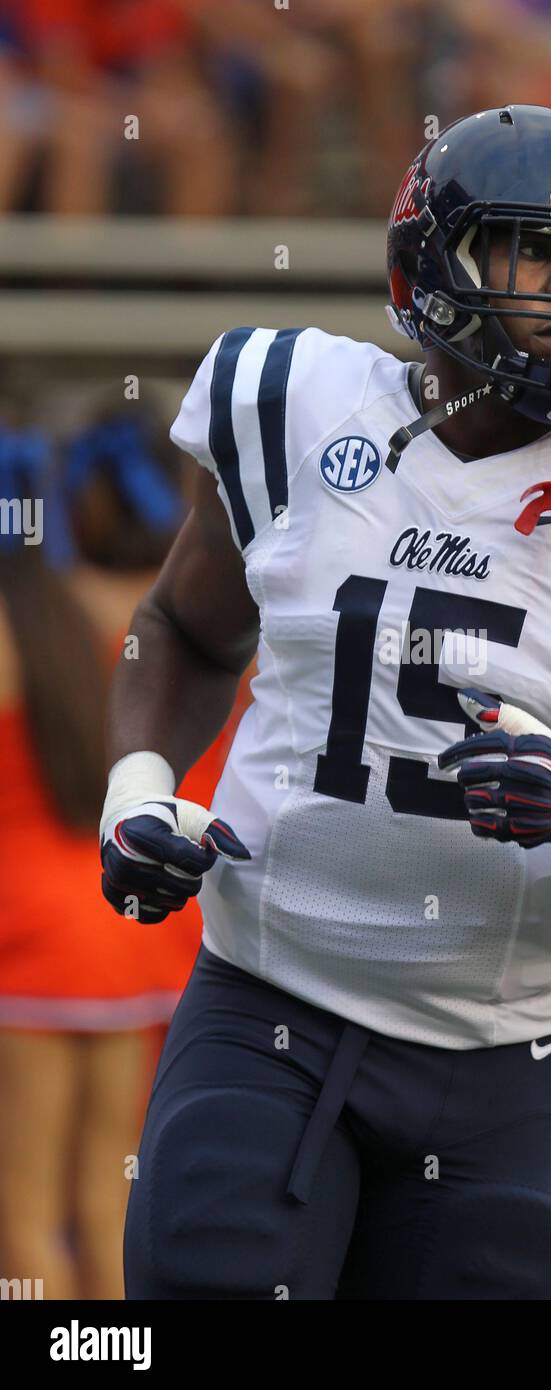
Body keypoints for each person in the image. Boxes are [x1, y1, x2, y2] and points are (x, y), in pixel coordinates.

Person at [102, 105, 551, 1300]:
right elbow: (185, 631)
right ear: (432, 261)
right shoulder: (292, 404)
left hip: (496, 1065)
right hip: (268, 1003)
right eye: (540, 251)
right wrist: (139, 789)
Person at [0, 405, 243, 1298]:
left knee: (21, 1215)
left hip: (25, 946)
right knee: (110, 1201)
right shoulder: (145, 616)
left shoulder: (31, 619)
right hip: (135, 929)